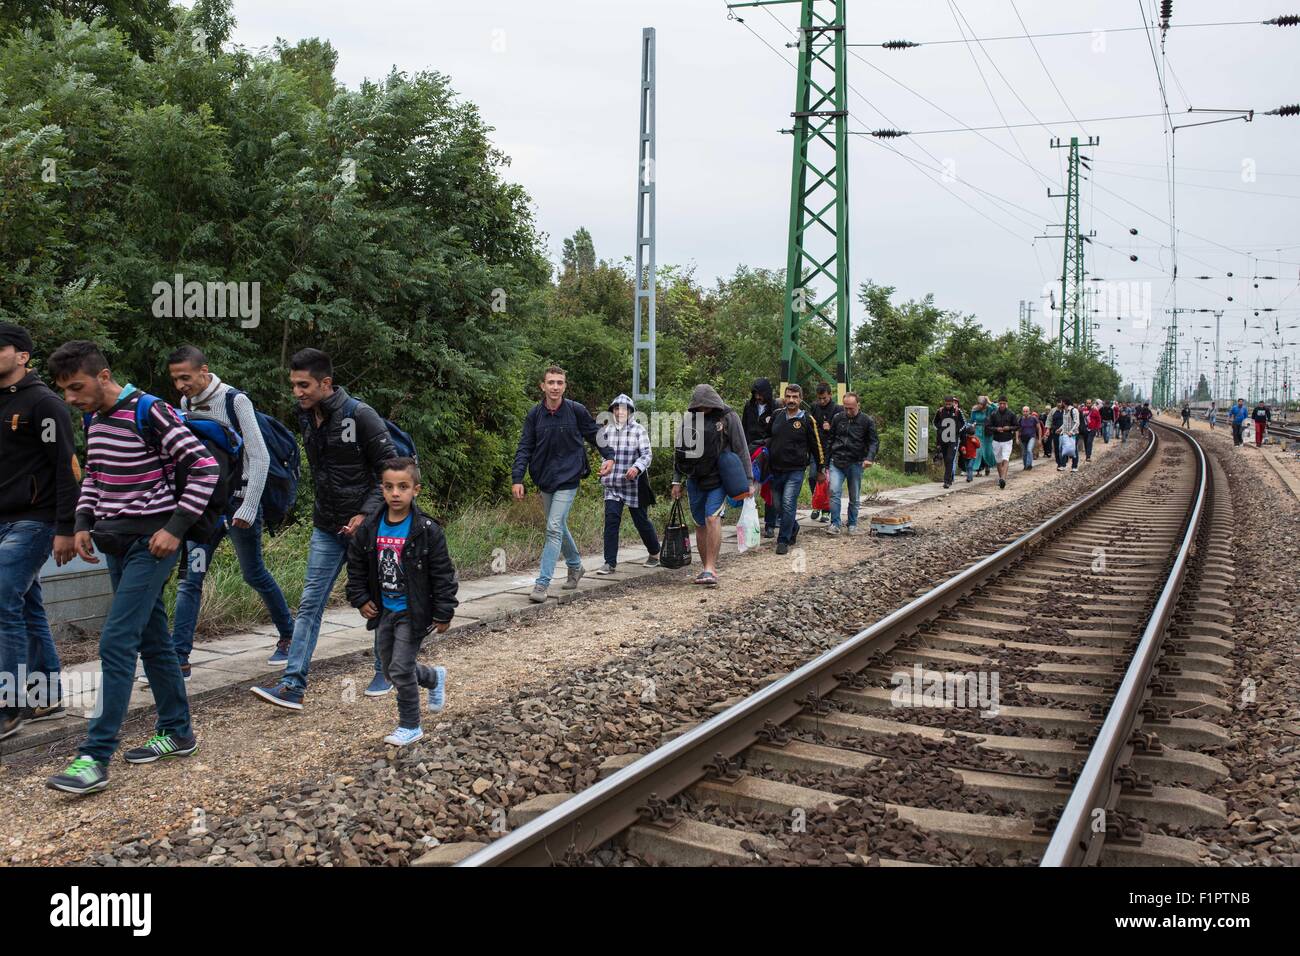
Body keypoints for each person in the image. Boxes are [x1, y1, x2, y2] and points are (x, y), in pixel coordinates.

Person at [44, 341, 215, 795]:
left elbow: (205, 466)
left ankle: (95, 756)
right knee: (152, 640)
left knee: (117, 642)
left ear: (103, 376)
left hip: (152, 544)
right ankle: (178, 731)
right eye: (64, 391)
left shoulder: (150, 410)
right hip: (113, 544)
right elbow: (96, 475)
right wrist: (83, 522)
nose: (71, 398)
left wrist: (176, 528)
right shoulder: (94, 417)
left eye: (76, 387)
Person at [252, 349, 398, 711]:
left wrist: (365, 515)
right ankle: (292, 685)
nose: (297, 392)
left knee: (376, 599)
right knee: (310, 604)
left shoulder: (361, 415)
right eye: (294, 386)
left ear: (326, 384)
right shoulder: (306, 417)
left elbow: (392, 472)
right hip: (326, 525)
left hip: (367, 527)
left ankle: (385, 670)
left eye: (304, 385)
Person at [149, 346, 295, 680]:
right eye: (175, 379)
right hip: (204, 510)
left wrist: (248, 506)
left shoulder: (234, 401)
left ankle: (289, 634)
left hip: (239, 506)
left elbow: (259, 457)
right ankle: (179, 659)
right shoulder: (185, 406)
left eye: (186, 377)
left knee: (253, 572)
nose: (181, 385)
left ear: (204, 371)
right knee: (191, 579)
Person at [0, 324, 77, 741]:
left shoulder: (45, 404)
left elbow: (67, 469)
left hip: (33, 522)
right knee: (26, 607)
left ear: (23, 355)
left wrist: (66, 527)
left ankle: (9, 707)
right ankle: (45, 695)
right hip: (2, 521)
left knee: (1, 602)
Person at [345, 458, 457, 747]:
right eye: (389, 487)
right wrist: (360, 598)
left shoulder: (426, 529)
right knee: (389, 667)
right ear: (382, 489)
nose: (395, 493)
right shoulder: (370, 527)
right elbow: (356, 565)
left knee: (399, 669)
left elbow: (442, 572)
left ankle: (410, 725)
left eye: (403, 487)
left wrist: (444, 610)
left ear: (415, 490)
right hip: (384, 611)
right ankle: (432, 677)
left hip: (413, 611)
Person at [510, 366, 615, 604]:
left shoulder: (576, 411)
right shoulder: (535, 415)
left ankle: (542, 583)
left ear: (565, 386)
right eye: (551, 382)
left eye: (559, 382)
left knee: (553, 527)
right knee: (556, 525)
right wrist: (518, 478)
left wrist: (609, 457)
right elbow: (525, 447)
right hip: (545, 478)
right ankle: (576, 566)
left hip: (569, 476)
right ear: (543, 386)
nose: (555, 387)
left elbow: (595, 434)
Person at [672, 384, 751, 585]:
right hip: (694, 478)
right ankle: (704, 567)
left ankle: (711, 569)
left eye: (705, 407)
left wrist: (748, 480)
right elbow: (679, 453)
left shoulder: (728, 416)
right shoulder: (689, 420)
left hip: (718, 478)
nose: (702, 410)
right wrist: (676, 481)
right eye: (698, 407)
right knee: (699, 524)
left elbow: (741, 448)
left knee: (712, 518)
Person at [594, 393, 659, 575]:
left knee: (641, 521)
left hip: (633, 485)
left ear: (630, 412)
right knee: (611, 521)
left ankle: (655, 552)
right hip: (613, 485)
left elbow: (647, 454)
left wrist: (636, 468)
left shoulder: (639, 430)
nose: (619, 412)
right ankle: (609, 563)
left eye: (623, 409)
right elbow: (604, 454)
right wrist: (604, 467)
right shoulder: (606, 431)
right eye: (616, 408)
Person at [763, 383, 824, 556]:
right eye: (788, 396)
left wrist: (820, 468)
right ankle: (793, 527)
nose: (791, 400)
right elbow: (767, 437)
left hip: (795, 470)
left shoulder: (807, 419)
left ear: (800, 399)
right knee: (777, 505)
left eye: (795, 397)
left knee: (789, 503)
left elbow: (817, 446)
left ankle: (783, 540)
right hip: (775, 469)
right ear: (784, 397)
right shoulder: (776, 415)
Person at [824, 392, 877, 536]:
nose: (848, 411)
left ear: (858, 405)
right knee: (834, 492)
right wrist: (825, 464)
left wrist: (869, 458)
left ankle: (852, 523)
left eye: (851, 408)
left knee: (854, 496)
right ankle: (835, 523)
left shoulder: (867, 421)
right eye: (845, 408)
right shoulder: (837, 418)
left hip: (856, 462)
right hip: (837, 461)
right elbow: (830, 440)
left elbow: (873, 441)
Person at [741, 378, 779, 539]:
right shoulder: (749, 407)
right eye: (755, 393)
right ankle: (750, 524)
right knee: (750, 489)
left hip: (768, 452)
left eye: (760, 393)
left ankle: (770, 525)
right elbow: (743, 428)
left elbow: (777, 431)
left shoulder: (776, 408)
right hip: (751, 451)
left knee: (770, 489)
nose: (758, 397)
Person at [807, 383, 840, 522]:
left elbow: (841, 429)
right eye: (819, 398)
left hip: (831, 449)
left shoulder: (838, 409)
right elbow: (810, 426)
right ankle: (817, 504)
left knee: (829, 481)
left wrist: (830, 427)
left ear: (830, 395)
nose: (822, 401)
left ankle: (827, 510)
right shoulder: (814, 407)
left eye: (824, 398)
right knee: (813, 476)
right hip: (816, 448)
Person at [986, 397, 1018, 489]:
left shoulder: (1011, 414)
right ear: (998, 404)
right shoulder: (993, 414)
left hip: (1007, 440)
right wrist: (996, 429)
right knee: (998, 461)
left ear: (1006, 404)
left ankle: (1003, 478)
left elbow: (1017, 426)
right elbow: (988, 426)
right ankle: (1001, 479)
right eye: (1000, 403)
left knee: (1005, 458)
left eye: (1004, 403)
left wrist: (1009, 428)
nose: (1002, 405)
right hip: (996, 440)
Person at [932, 397, 964, 488]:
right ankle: (949, 479)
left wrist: (957, 431)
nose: (948, 405)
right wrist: (940, 430)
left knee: (950, 458)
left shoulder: (958, 411)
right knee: (946, 459)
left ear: (953, 403)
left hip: (953, 439)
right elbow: (934, 423)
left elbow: (963, 423)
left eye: (950, 404)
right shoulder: (940, 411)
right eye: (947, 404)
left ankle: (946, 481)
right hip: (943, 439)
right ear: (944, 403)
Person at [968, 396, 994, 477]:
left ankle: (987, 466)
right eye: (979, 403)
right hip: (978, 431)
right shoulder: (974, 410)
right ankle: (978, 470)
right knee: (978, 451)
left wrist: (990, 402)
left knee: (987, 451)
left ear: (985, 404)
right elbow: (971, 421)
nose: (980, 405)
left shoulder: (989, 409)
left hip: (987, 432)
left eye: (982, 404)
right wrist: (971, 428)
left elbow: (997, 409)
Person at [1055, 398, 1079, 472]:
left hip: (1073, 434)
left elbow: (1077, 422)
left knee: (1073, 449)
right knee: (1063, 449)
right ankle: (1063, 465)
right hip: (1064, 434)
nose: (1060, 404)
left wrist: (1071, 432)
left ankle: (1074, 467)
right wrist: (1060, 429)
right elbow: (1065, 423)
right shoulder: (1064, 411)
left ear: (1064, 403)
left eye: (1061, 402)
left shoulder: (1074, 410)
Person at [1018, 405, 1041, 470]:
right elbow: (1017, 429)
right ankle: (1025, 465)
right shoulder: (1020, 419)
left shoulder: (1034, 419)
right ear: (1022, 412)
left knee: (1029, 449)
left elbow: (1039, 428)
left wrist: (1039, 439)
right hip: (1023, 437)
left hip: (1032, 437)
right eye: (1024, 411)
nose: (1025, 413)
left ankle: (1029, 465)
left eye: (1026, 411)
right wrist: (1017, 438)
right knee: (1024, 452)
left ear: (1029, 411)